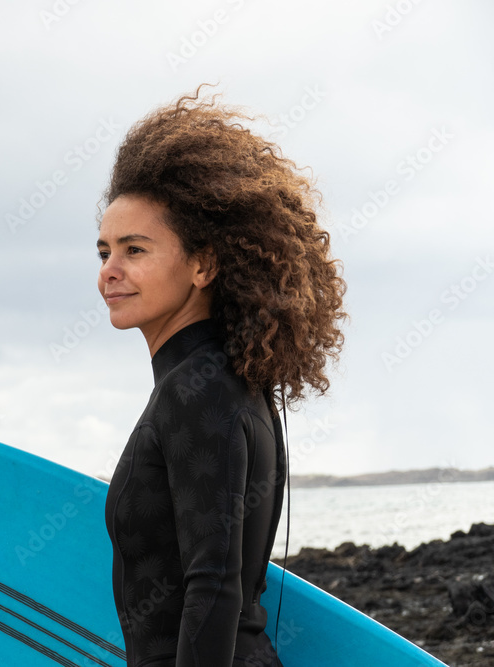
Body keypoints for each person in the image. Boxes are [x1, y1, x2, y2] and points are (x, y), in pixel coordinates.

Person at [98, 87, 347, 667]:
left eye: (135, 249)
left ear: (204, 264)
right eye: (104, 250)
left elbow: (212, 588)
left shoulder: (201, 392)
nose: (110, 271)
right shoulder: (221, 381)